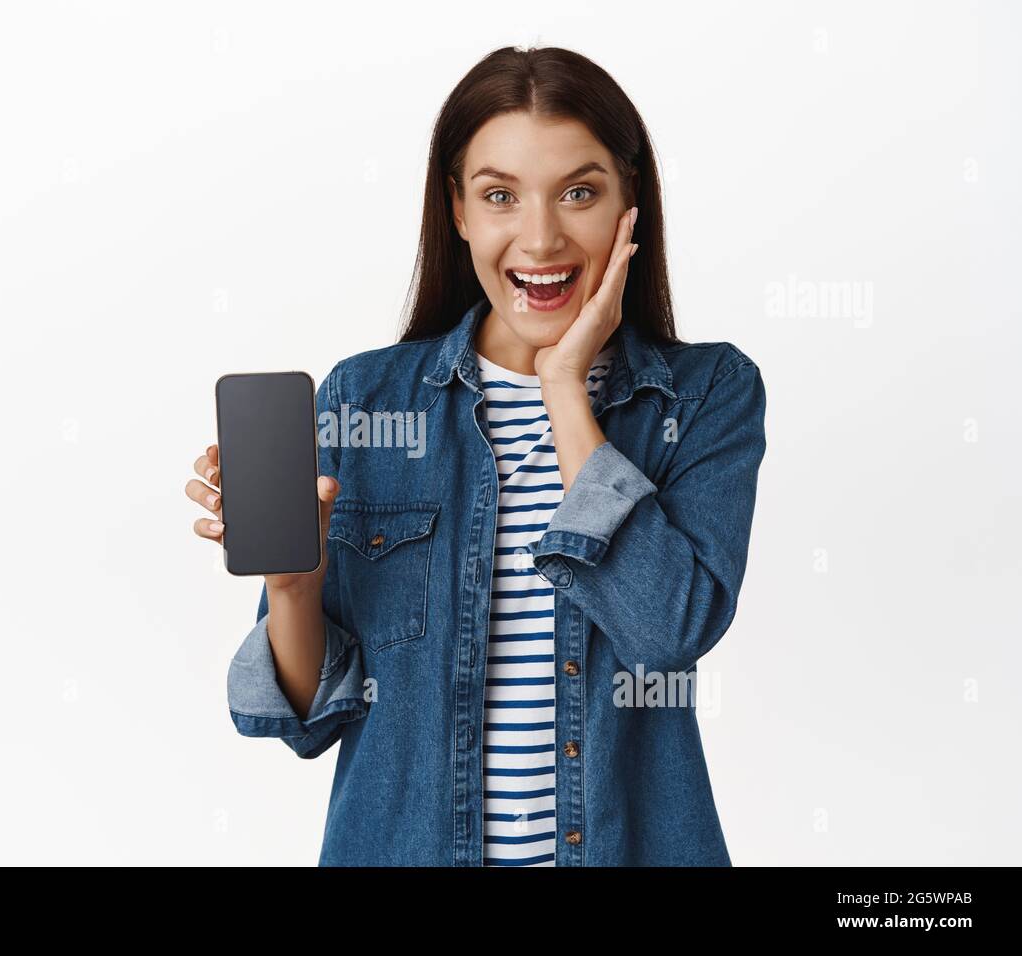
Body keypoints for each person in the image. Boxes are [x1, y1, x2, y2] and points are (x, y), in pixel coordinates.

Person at [186, 45, 767, 866]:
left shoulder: (705, 394)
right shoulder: (367, 402)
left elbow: (667, 630)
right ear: (457, 210)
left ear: (629, 203)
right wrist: (294, 584)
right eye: (500, 195)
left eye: (579, 192)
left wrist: (566, 386)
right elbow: (308, 722)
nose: (540, 237)